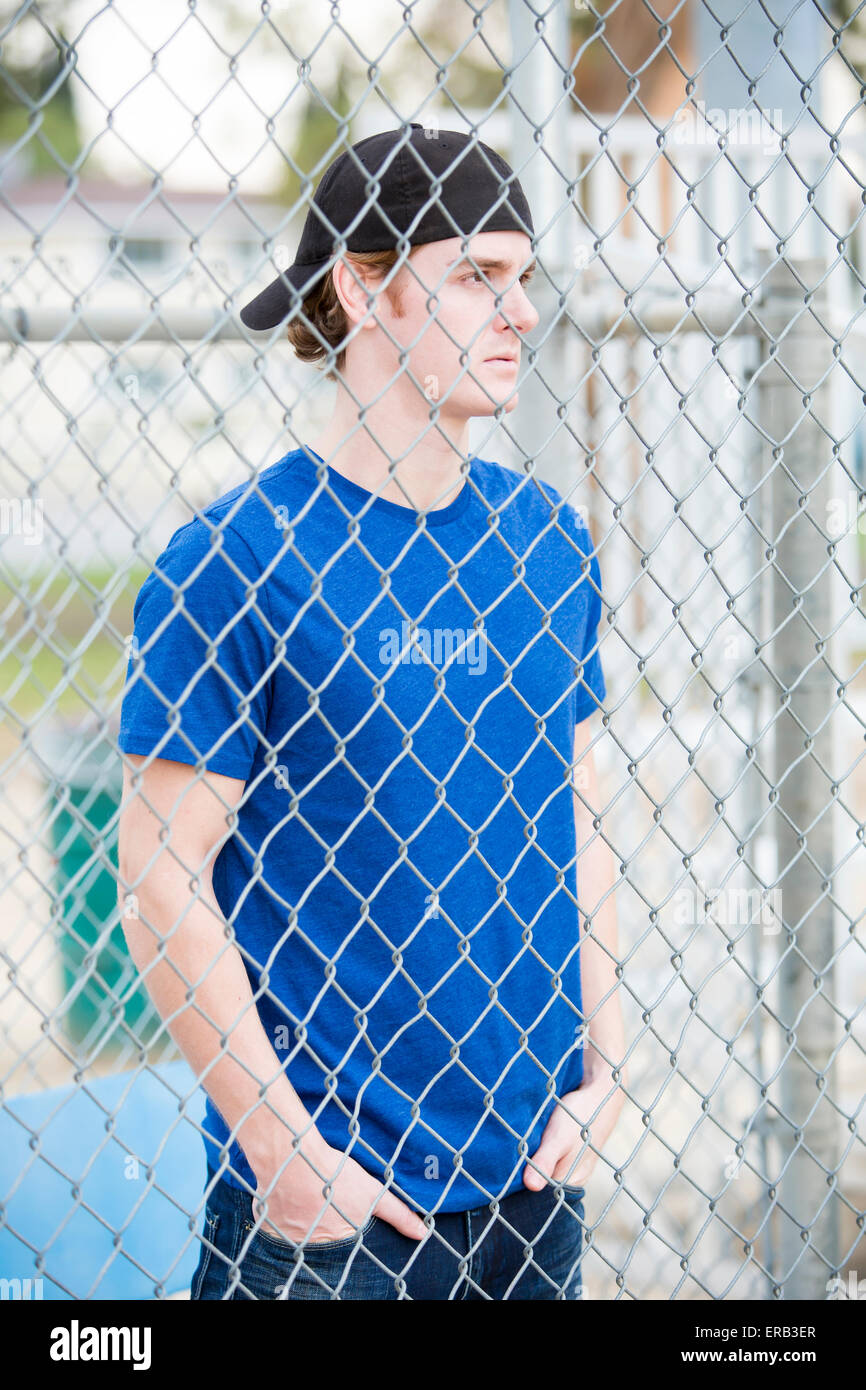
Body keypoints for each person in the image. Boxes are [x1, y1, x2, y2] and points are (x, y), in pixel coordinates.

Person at [117, 122, 625, 1301]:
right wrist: (283, 1156)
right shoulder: (241, 557)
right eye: (473, 277)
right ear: (361, 288)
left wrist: (602, 1063)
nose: (520, 316)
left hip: (532, 1186)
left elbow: (575, 802)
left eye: (523, 280)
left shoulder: (545, 541)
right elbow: (159, 879)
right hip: (334, 1215)